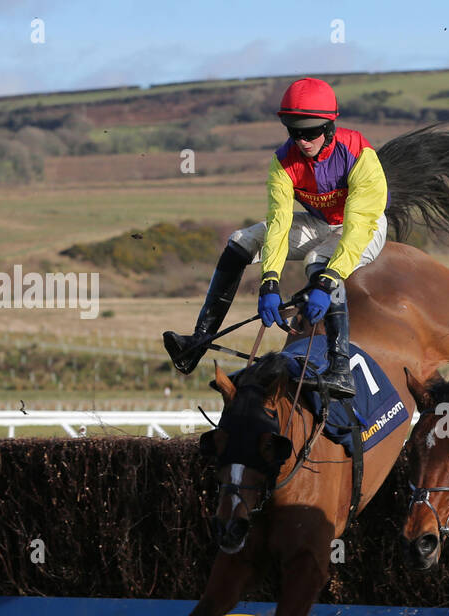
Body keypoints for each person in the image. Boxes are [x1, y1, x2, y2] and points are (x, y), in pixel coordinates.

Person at [162, 77, 388, 397]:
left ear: (330, 127)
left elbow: (356, 228)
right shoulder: (283, 162)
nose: (303, 141)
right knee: (241, 240)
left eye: (310, 132)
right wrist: (270, 281)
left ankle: (340, 370)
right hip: (321, 222)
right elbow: (279, 224)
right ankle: (198, 340)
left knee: (318, 260)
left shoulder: (359, 155)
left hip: (366, 226)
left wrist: (327, 282)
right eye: (294, 132)